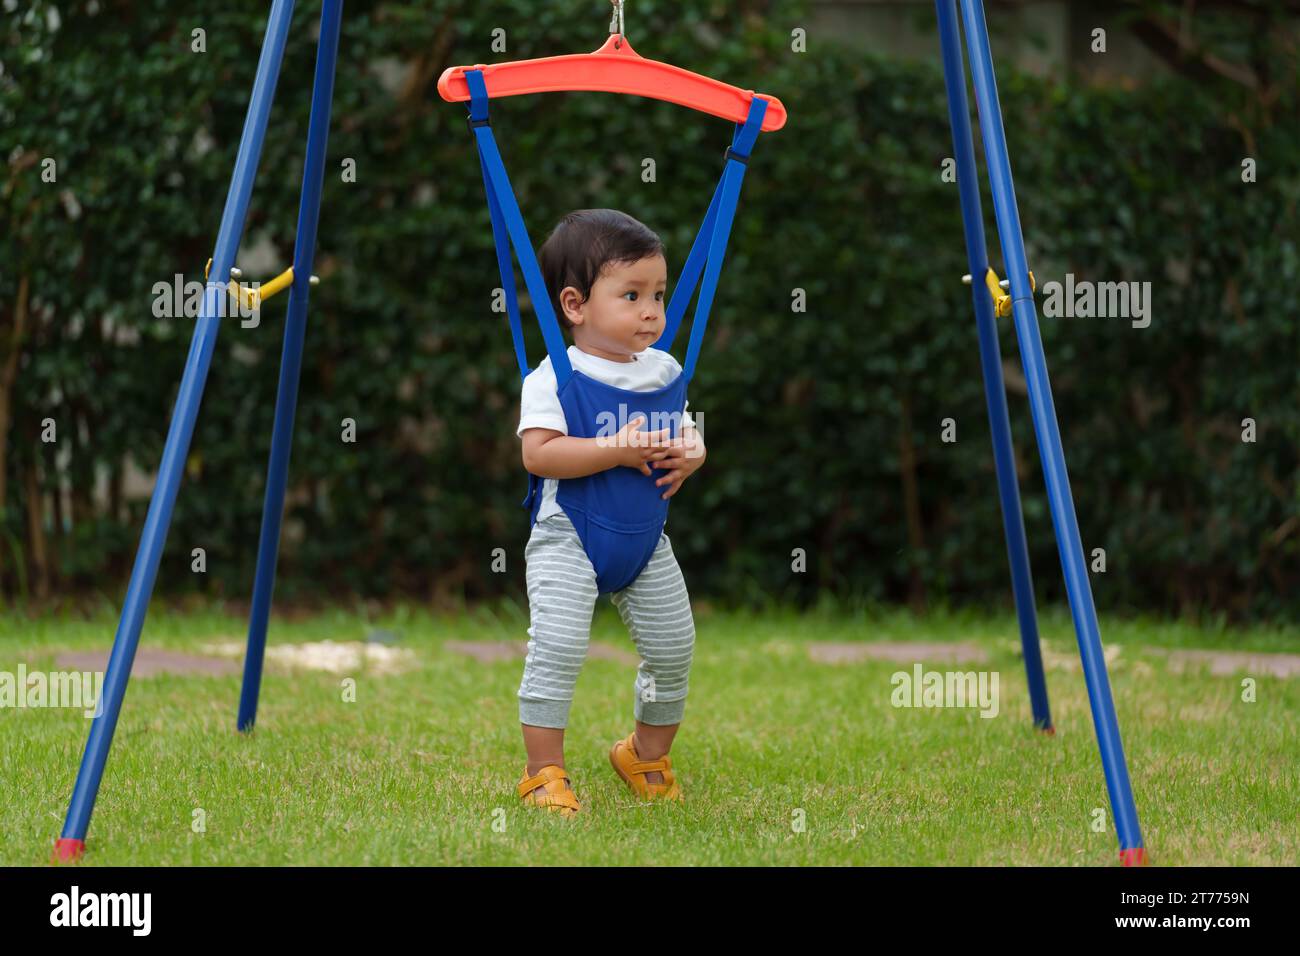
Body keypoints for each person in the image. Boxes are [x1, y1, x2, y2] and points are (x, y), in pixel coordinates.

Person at [514, 209, 706, 816]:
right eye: (632, 295)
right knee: (559, 648)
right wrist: (617, 450)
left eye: (658, 294)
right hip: (568, 534)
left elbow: (685, 431)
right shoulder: (555, 376)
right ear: (575, 305)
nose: (652, 310)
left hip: (645, 539)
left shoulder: (665, 371)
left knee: (675, 645)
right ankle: (543, 771)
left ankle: (643, 753)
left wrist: (695, 453)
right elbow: (538, 454)